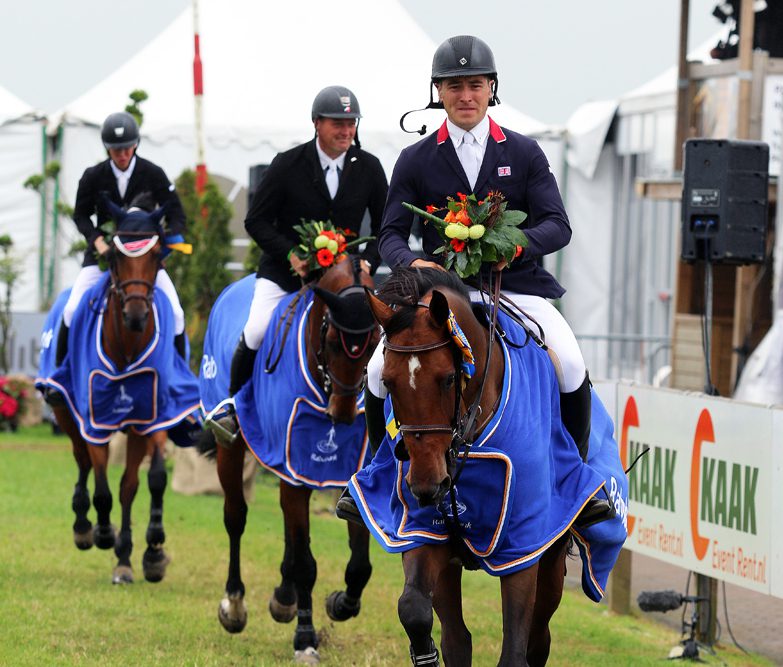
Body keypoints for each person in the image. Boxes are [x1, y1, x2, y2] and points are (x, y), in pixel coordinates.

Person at [341, 35, 612, 527]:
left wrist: (518, 245)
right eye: (454, 86)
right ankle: (378, 476)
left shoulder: (524, 152)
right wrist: (412, 266)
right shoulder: (416, 159)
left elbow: (558, 224)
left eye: (475, 85)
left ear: (491, 89)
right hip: (440, 295)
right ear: (438, 92)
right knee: (381, 370)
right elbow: (389, 235)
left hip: (518, 288)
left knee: (570, 362)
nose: (466, 95)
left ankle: (574, 480)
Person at [217, 85, 388, 435]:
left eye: (351, 122)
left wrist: (369, 260)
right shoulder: (288, 164)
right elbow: (255, 221)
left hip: (345, 281)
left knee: (383, 336)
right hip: (285, 274)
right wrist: (289, 253)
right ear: (316, 123)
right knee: (257, 327)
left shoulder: (368, 167)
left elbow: (387, 225)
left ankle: (385, 419)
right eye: (337, 123)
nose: (346, 130)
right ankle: (234, 406)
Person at [57, 111, 188, 363]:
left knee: (176, 312)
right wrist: (97, 241)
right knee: (72, 309)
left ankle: (180, 378)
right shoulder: (93, 176)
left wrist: (166, 244)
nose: (123, 154)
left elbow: (176, 213)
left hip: (143, 260)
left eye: (127, 148)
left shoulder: (153, 173)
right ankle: (62, 375)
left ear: (136, 144)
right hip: (104, 256)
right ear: (107, 149)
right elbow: (81, 216)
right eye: (116, 150)